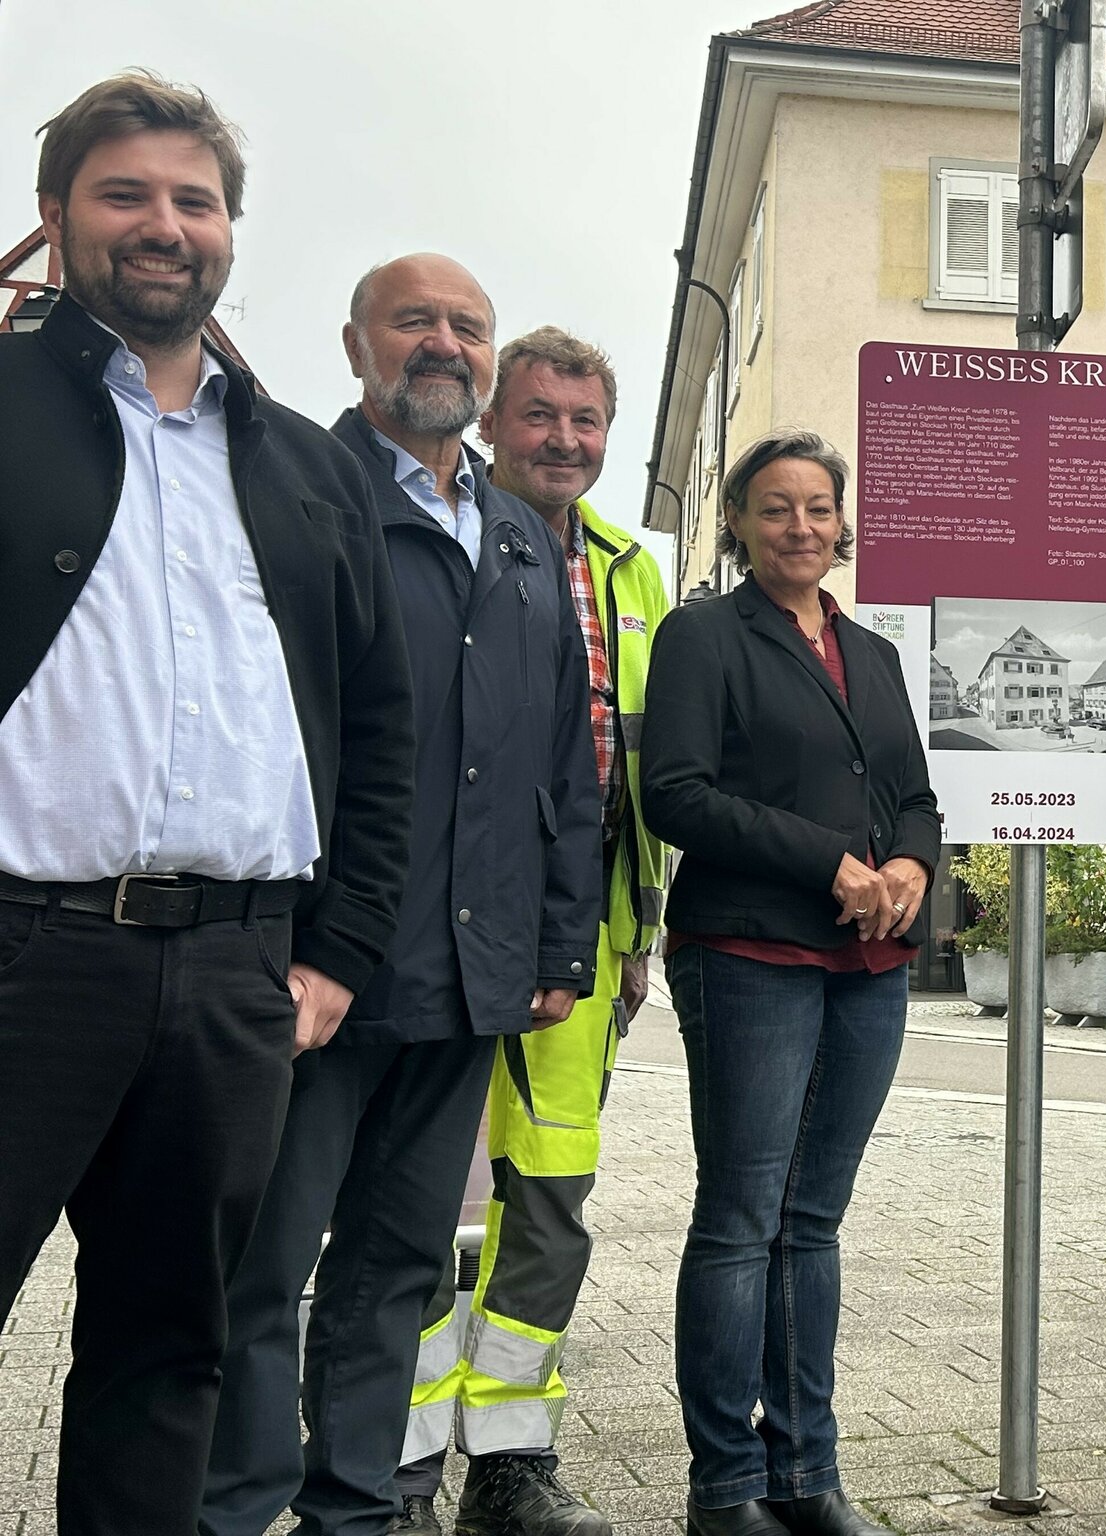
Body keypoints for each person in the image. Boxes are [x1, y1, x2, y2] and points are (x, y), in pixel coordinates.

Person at [0, 73, 416, 1536]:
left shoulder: (302, 463)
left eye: (195, 200)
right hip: (23, 952)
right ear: (56, 217)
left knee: (171, 1348)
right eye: (125, 193)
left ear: (232, 229)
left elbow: (380, 724)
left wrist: (336, 950)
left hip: (237, 974)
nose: (163, 225)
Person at [202, 256, 603, 1536]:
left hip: (469, 977)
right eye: (412, 321)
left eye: (465, 327)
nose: (442, 343)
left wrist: (560, 945)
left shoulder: (519, 537)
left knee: (395, 1268)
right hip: (320, 972)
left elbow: (563, 763)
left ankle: (355, 1513)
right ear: (355, 344)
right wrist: (286, 940)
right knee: (262, 1272)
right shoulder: (293, 492)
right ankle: (233, 1510)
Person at [390, 327, 669, 1536]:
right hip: (440, 927)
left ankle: (508, 1463)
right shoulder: (443, 536)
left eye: (585, 420)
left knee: (549, 1200)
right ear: (492, 421)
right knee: (415, 1199)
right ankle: (391, 1470)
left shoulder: (633, 570)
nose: (564, 439)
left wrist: (638, 932)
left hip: (586, 935)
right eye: (540, 414)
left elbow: (645, 773)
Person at [639, 430, 939, 1536]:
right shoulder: (703, 635)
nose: (800, 527)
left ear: (841, 521)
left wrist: (910, 867)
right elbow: (675, 794)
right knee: (739, 1219)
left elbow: (916, 795)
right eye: (774, 508)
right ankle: (724, 1487)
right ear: (737, 522)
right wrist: (832, 863)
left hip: (869, 963)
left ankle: (806, 1473)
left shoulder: (874, 652)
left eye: (818, 507)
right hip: (747, 953)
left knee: (812, 1222)